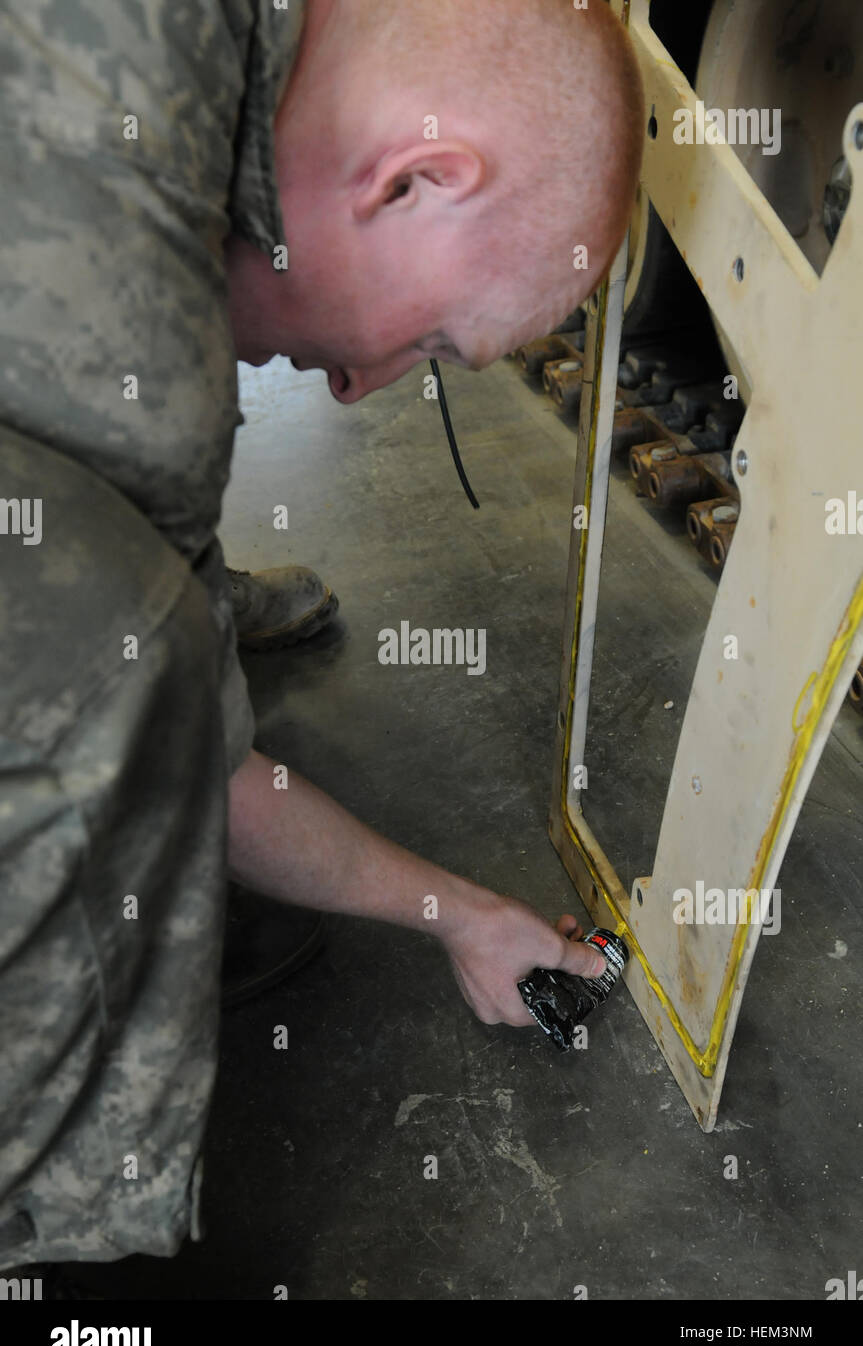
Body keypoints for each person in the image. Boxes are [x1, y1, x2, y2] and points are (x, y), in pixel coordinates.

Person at [0, 0, 643, 1272]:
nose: (360, 382)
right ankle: (62, 1270)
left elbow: (190, 733)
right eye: (433, 344)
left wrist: (458, 915)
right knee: (95, 636)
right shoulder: (108, 259)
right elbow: (152, 716)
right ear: (414, 178)